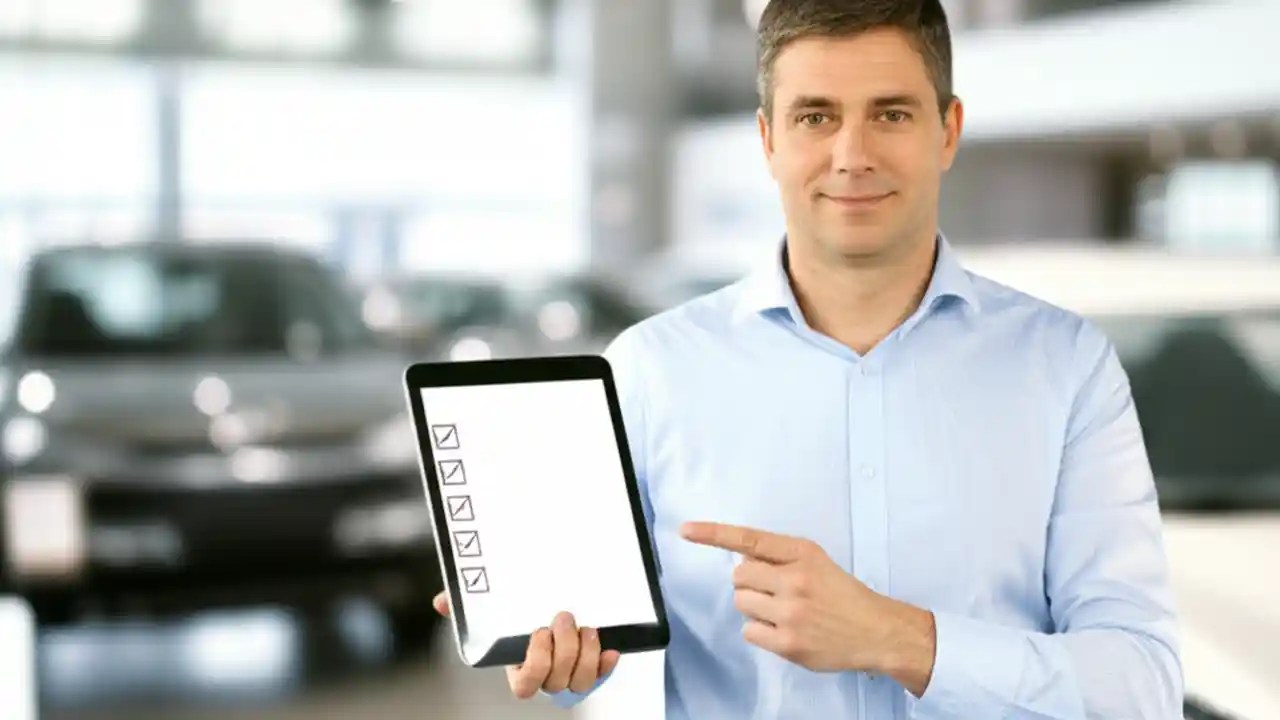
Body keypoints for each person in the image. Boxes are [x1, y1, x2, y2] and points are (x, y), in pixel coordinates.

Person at [434, 0, 1183, 716]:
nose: (852, 156)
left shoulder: (1066, 367)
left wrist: (899, 638)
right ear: (767, 140)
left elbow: (1141, 687)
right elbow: (590, 644)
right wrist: (560, 653)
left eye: (891, 114)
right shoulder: (651, 370)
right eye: (815, 117)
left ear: (947, 131)